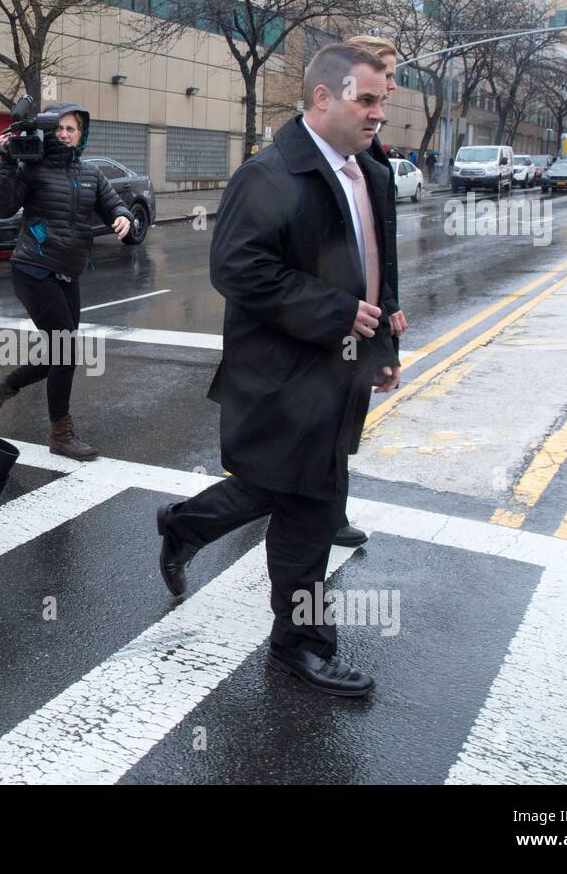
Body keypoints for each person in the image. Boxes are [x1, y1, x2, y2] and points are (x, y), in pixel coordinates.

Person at [157, 43, 399, 697]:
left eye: (384, 101)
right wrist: (336, 312)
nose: (378, 114)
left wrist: (381, 351)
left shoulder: (373, 174)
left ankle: (185, 526)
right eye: (366, 99)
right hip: (282, 377)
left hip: (342, 373)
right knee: (307, 505)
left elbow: (383, 270)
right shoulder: (270, 175)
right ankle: (302, 645)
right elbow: (236, 269)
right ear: (324, 98)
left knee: (286, 492)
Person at [0, 103, 132, 460]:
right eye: (61, 128)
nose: (67, 134)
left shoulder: (91, 174)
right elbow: (2, 208)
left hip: (68, 271)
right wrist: (7, 161)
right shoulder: (31, 169)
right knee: (66, 350)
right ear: (49, 131)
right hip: (33, 268)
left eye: (74, 129)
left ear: (81, 135)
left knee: (59, 351)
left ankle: (1, 388)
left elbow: (114, 205)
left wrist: (126, 218)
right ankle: (60, 434)